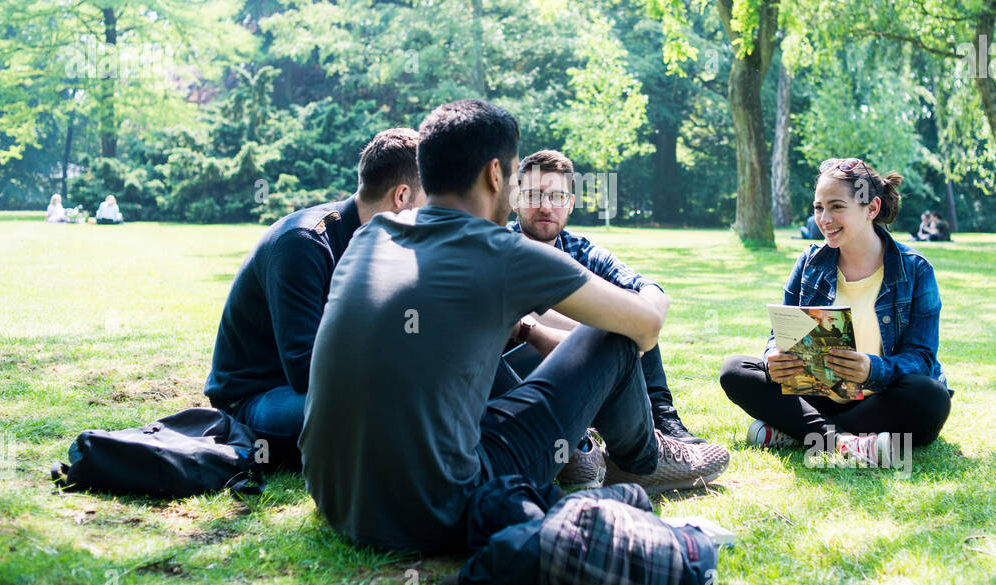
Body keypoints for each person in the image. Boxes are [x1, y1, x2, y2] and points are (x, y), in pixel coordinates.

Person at [299, 99, 731, 553]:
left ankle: (601, 454)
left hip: (333, 495)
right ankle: (642, 460)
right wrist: (654, 291)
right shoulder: (504, 252)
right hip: (438, 509)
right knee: (614, 334)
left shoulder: (373, 234)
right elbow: (644, 326)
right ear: (494, 175)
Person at [204, 128, 424, 469]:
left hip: (322, 387)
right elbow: (305, 369)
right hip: (257, 398)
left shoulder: (382, 245)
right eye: (428, 201)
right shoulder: (304, 243)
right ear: (402, 196)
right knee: (392, 405)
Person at [718, 157, 951, 468]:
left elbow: (922, 359)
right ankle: (844, 443)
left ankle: (797, 431)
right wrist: (773, 357)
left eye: (837, 206)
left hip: (882, 399)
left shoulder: (915, 269)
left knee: (931, 396)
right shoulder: (809, 263)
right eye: (818, 207)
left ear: (871, 208)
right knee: (735, 370)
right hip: (817, 393)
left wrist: (873, 369)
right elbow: (779, 335)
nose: (823, 219)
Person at [508, 148, 704, 446]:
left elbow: (647, 288)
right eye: (534, 195)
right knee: (625, 322)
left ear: (571, 204)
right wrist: (610, 337)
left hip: (580, 369)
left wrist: (640, 319)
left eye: (558, 197)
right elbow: (523, 308)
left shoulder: (580, 250)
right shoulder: (500, 246)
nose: (546, 206)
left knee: (634, 307)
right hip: (520, 370)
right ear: (516, 200)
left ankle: (662, 417)